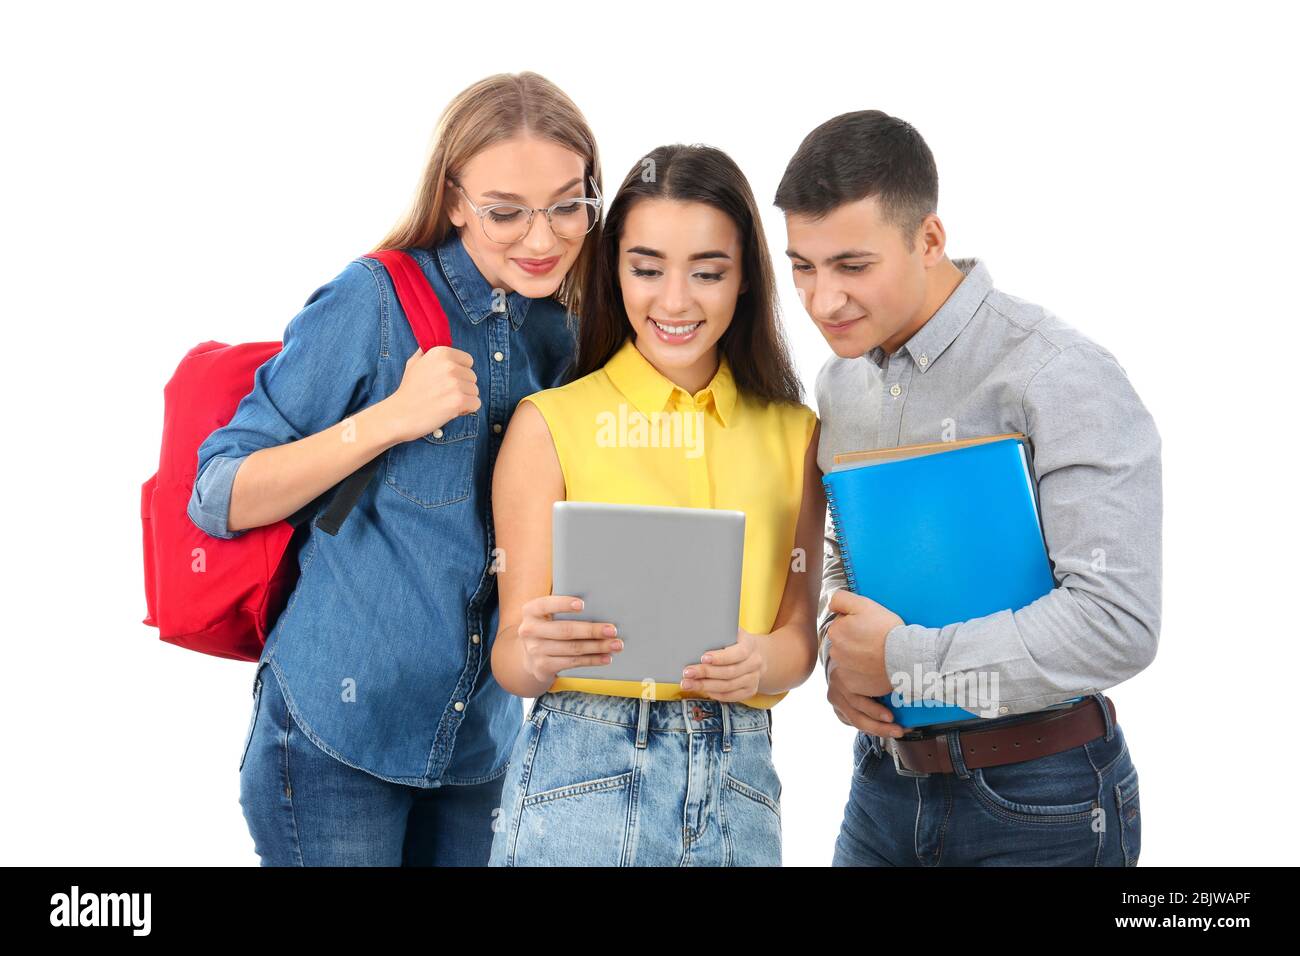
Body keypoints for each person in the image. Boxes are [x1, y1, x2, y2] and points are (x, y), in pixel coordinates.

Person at [186, 72, 603, 865]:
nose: (543, 238)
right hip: (334, 740)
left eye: (566, 204)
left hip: (480, 748)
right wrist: (389, 420)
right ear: (451, 199)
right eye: (505, 212)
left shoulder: (572, 332)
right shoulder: (375, 301)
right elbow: (219, 493)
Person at [775, 110, 1158, 866]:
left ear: (929, 239)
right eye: (802, 266)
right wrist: (840, 659)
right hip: (885, 788)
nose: (822, 302)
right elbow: (850, 558)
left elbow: (1119, 621)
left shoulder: (1059, 374)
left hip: (1041, 800)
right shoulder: (839, 383)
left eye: (852, 265)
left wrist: (906, 660)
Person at [487, 144, 824, 867]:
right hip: (582, 774)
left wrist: (761, 661)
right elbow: (512, 661)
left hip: (740, 782)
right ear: (614, 272)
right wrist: (535, 650)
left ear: (745, 282)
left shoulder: (797, 435)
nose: (674, 301)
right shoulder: (549, 424)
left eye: (708, 272)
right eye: (646, 269)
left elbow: (799, 637)